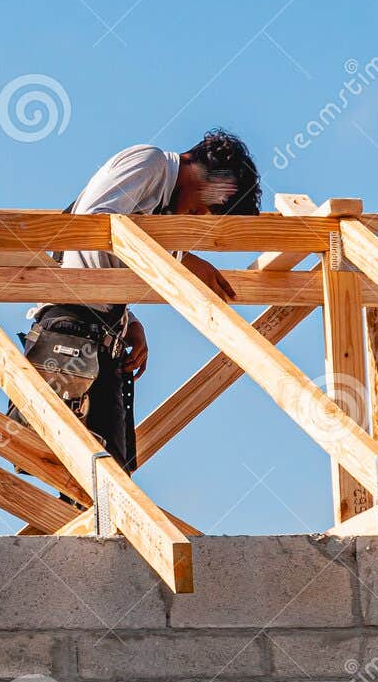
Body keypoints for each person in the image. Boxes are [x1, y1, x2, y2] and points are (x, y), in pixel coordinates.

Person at [15, 129, 262, 476]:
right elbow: (93, 226)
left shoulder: (162, 208)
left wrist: (128, 322)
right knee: (90, 477)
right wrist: (177, 259)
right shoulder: (151, 162)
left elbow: (108, 258)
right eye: (210, 204)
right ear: (198, 166)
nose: (202, 216)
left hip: (98, 330)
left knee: (106, 479)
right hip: (72, 326)